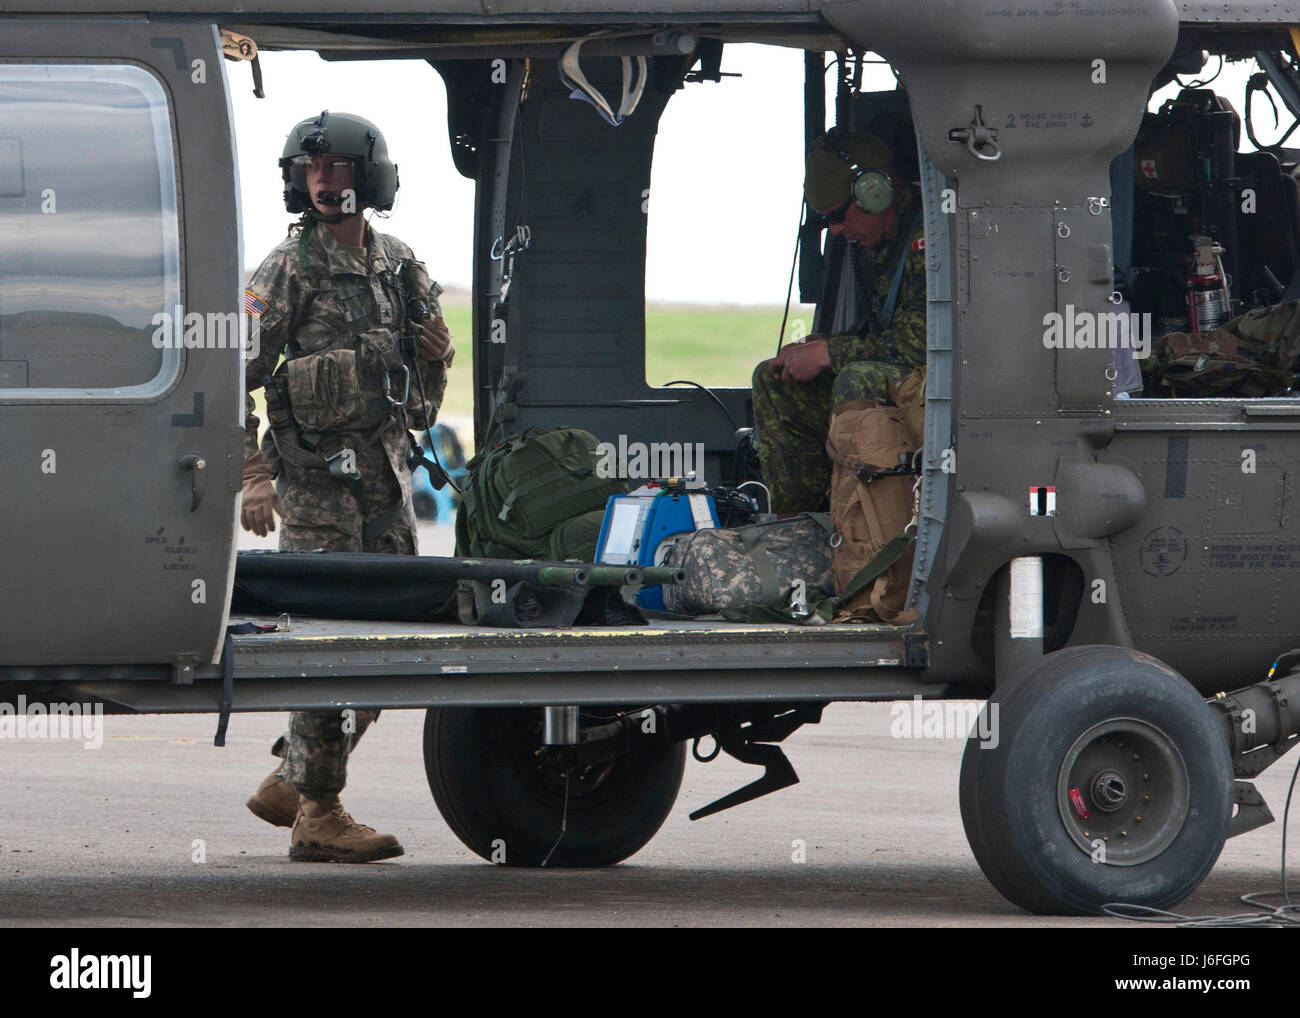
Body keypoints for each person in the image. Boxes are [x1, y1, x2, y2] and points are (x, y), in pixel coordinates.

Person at [240, 111, 454, 862]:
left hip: (386, 487)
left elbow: (422, 396)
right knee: (331, 645)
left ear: (371, 179)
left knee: (392, 651)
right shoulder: (284, 269)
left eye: (338, 170)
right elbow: (232, 373)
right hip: (316, 489)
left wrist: (434, 355)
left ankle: (293, 778)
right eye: (312, 171)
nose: (326, 183)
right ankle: (320, 813)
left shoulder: (400, 264)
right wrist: (253, 475)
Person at [752, 129, 927, 513]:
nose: (835, 230)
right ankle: (801, 523)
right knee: (774, 378)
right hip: (908, 377)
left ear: (875, 191)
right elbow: (882, 332)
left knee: (856, 377)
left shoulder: (928, 235)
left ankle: (869, 524)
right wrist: (818, 346)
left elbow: (920, 342)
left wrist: (830, 353)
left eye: (836, 216)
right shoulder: (881, 244)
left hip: (942, 386)